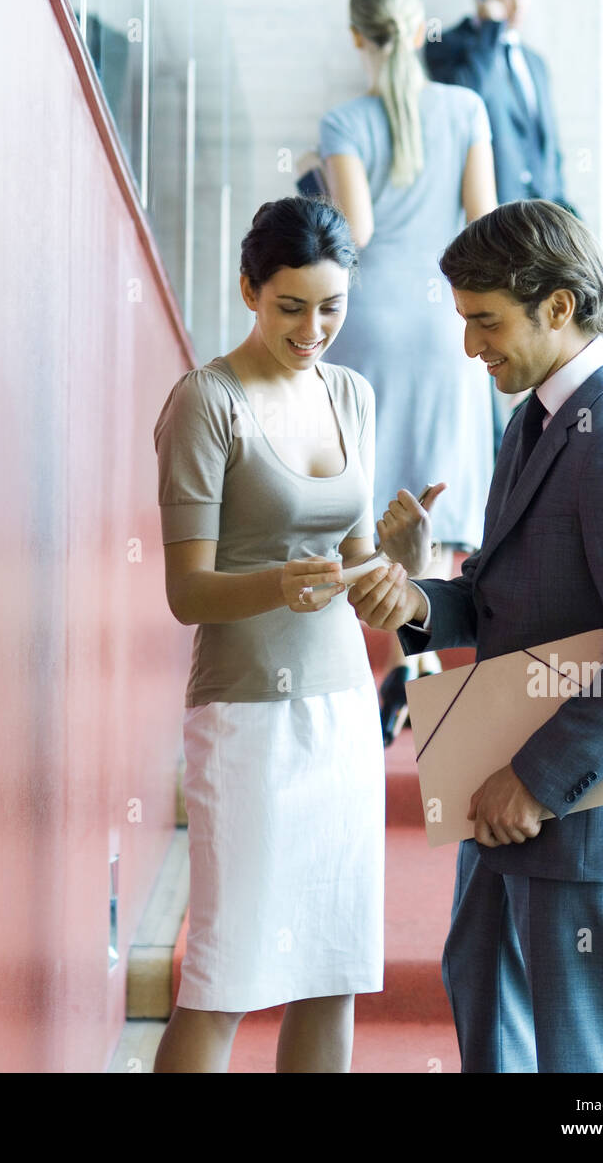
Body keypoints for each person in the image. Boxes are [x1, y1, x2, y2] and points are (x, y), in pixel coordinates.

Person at [346, 199, 603, 1073]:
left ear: (558, 307)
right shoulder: (535, 419)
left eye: (485, 322)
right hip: (500, 792)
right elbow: (505, 597)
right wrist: (420, 601)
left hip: (575, 812)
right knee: (479, 990)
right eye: (465, 321)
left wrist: (534, 782)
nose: (470, 348)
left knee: (588, 1064)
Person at [151, 196, 390, 1074]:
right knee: (224, 981)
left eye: (331, 307)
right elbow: (187, 593)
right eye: (291, 306)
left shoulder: (353, 396)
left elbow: (359, 580)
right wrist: (277, 584)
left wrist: (392, 563)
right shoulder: (205, 403)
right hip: (247, 722)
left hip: (342, 716)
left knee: (330, 975)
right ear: (249, 288)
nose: (313, 328)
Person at [318, 0, 498, 738]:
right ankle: (421, 659)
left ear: (357, 37)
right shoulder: (465, 108)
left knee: (371, 497)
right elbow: (485, 222)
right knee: (434, 501)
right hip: (442, 323)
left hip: (370, 325)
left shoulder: (343, 122)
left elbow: (350, 234)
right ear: (419, 28)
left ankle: (402, 658)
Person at [424, 0, 572, 212]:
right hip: (492, 214)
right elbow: (470, 94)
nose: (518, 5)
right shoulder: (447, 46)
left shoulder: (535, 62)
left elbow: (549, 142)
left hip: (545, 212)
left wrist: (561, 201)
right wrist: (491, 29)